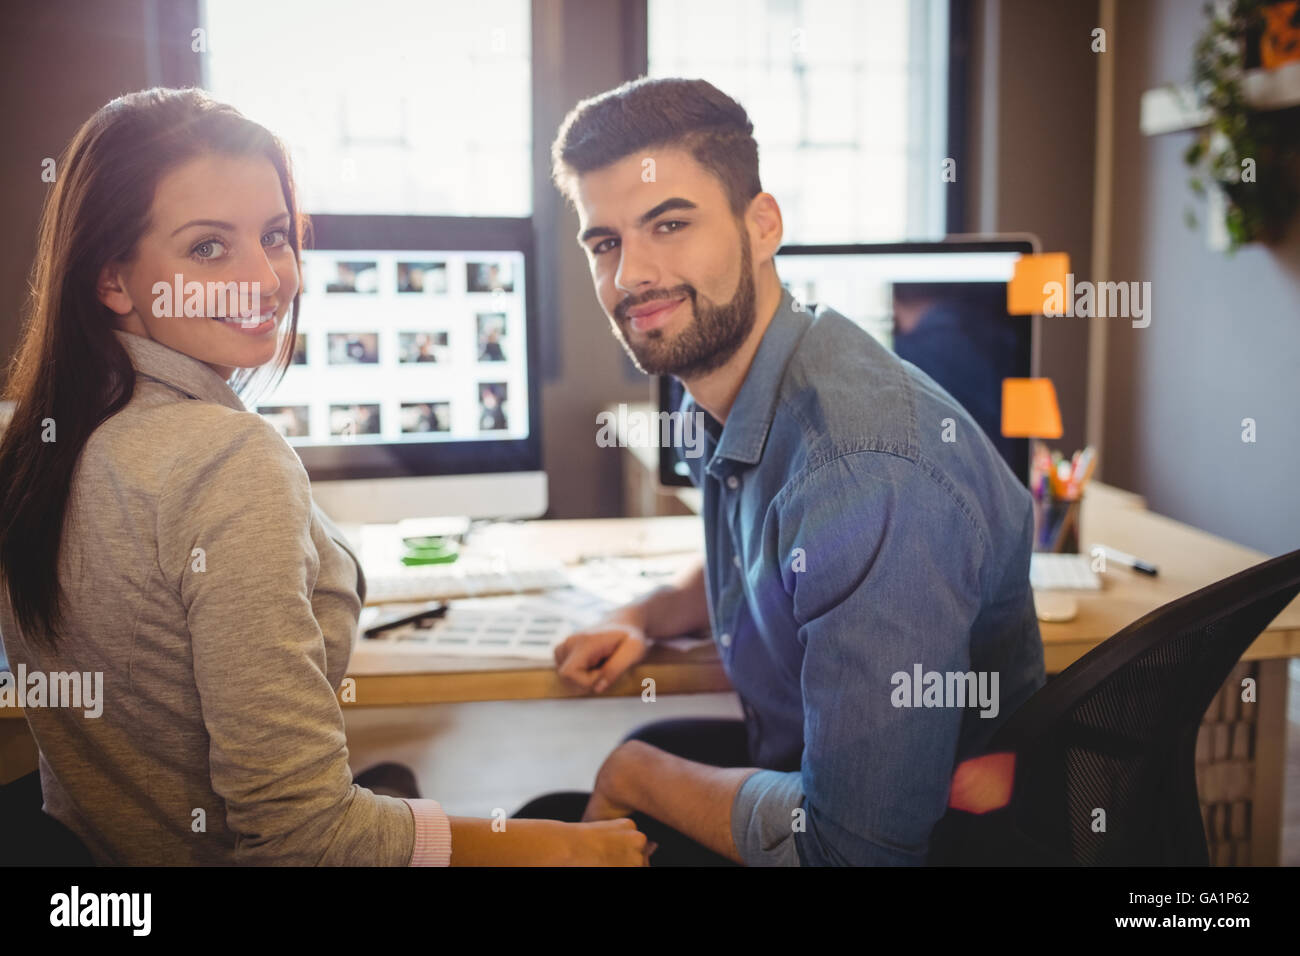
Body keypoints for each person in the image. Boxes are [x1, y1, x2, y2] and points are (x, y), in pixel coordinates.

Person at [0, 88, 647, 867]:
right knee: (567, 810)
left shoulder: (49, 439)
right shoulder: (226, 460)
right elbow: (303, 838)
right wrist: (556, 850)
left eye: (274, 236)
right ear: (112, 280)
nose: (266, 279)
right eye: (208, 247)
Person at [519, 77, 1046, 865]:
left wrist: (639, 778)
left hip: (925, 842)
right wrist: (646, 614)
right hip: (806, 757)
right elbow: (771, 548)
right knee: (580, 797)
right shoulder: (748, 378)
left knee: (594, 790)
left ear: (761, 225)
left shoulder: (866, 475)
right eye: (606, 242)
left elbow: (854, 849)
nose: (631, 273)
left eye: (670, 223)